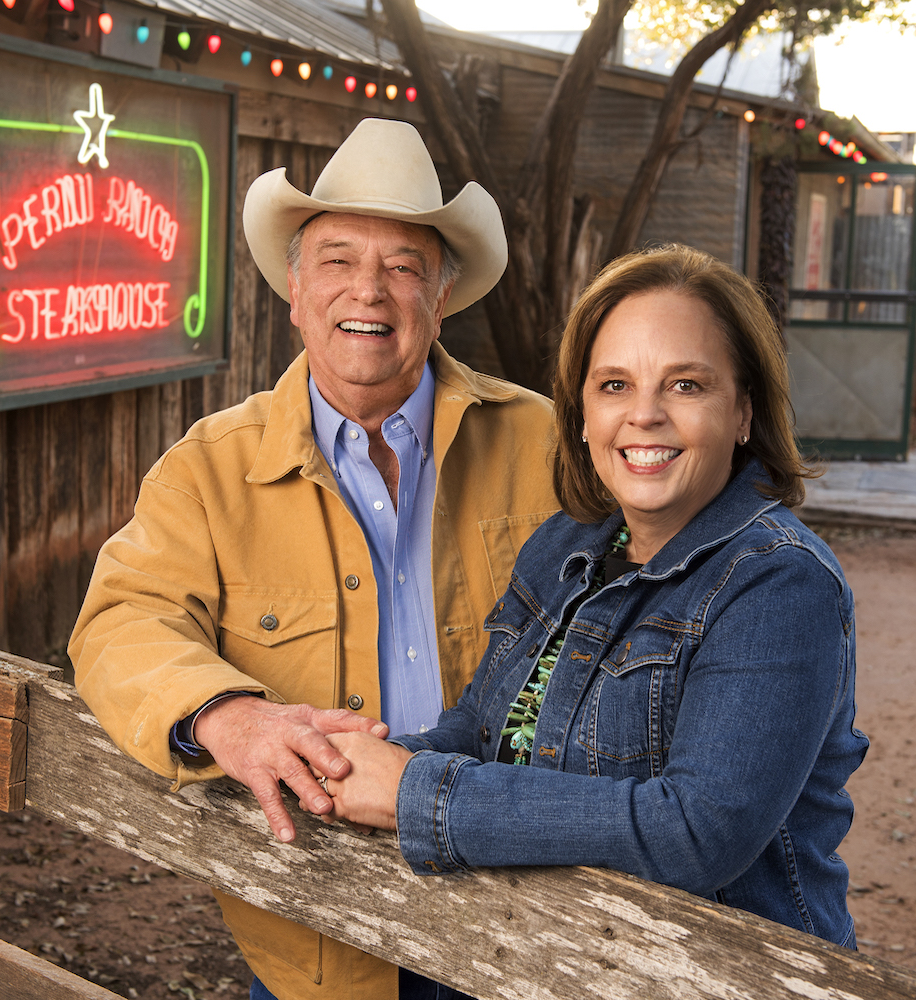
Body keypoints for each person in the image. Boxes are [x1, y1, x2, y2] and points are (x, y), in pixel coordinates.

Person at [68, 118, 558, 1000]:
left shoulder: (547, 440)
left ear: (439, 297)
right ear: (294, 292)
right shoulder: (209, 467)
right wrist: (227, 715)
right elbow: (121, 620)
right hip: (317, 945)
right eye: (337, 259)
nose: (368, 290)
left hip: (522, 923)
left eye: (405, 265)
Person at [320, 244, 870, 948]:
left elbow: (697, 833)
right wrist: (350, 763)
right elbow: (487, 731)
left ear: (742, 413)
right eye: (614, 385)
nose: (644, 415)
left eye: (686, 385)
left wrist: (417, 793)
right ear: (580, 413)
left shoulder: (778, 584)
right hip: (565, 959)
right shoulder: (565, 544)